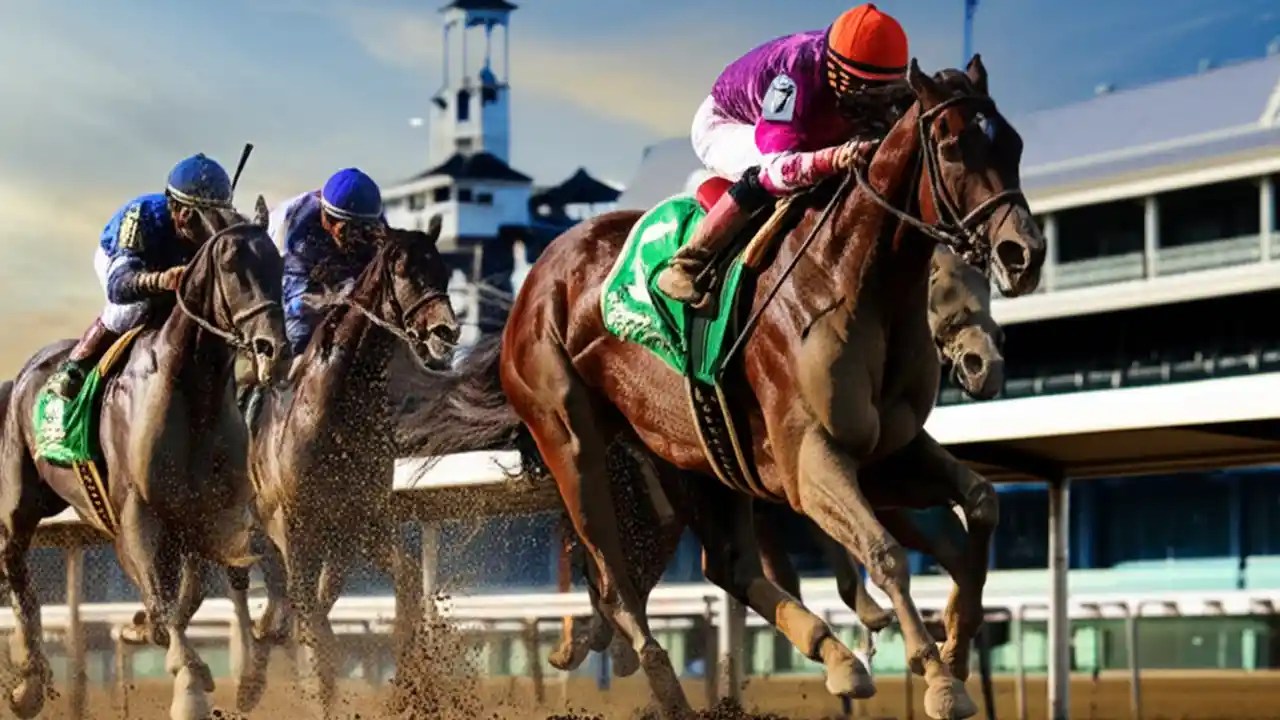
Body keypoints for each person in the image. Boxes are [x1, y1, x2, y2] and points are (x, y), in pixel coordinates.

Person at [655, 3, 911, 307]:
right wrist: (832, 158)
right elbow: (779, 167)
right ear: (838, 70)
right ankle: (687, 263)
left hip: (810, 125)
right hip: (732, 124)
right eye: (866, 89)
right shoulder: (792, 77)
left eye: (885, 91)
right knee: (764, 177)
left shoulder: (860, 75)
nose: (876, 103)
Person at [45, 153, 235, 400]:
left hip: (174, 266)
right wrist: (158, 280)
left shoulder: (219, 229)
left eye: (215, 218)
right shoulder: (142, 216)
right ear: (176, 208)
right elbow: (118, 286)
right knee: (131, 310)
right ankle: (76, 366)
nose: (208, 230)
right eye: (198, 218)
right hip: (125, 261)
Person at [271, 168, 387, 357]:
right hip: (285, 264)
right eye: (348, 231)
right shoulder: (300, 232)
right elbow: (296, 305)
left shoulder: (375, 225)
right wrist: (331, 298)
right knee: (300, 332)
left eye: (365, 230)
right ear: (327, 221)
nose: (356, 240)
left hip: (332, 261)